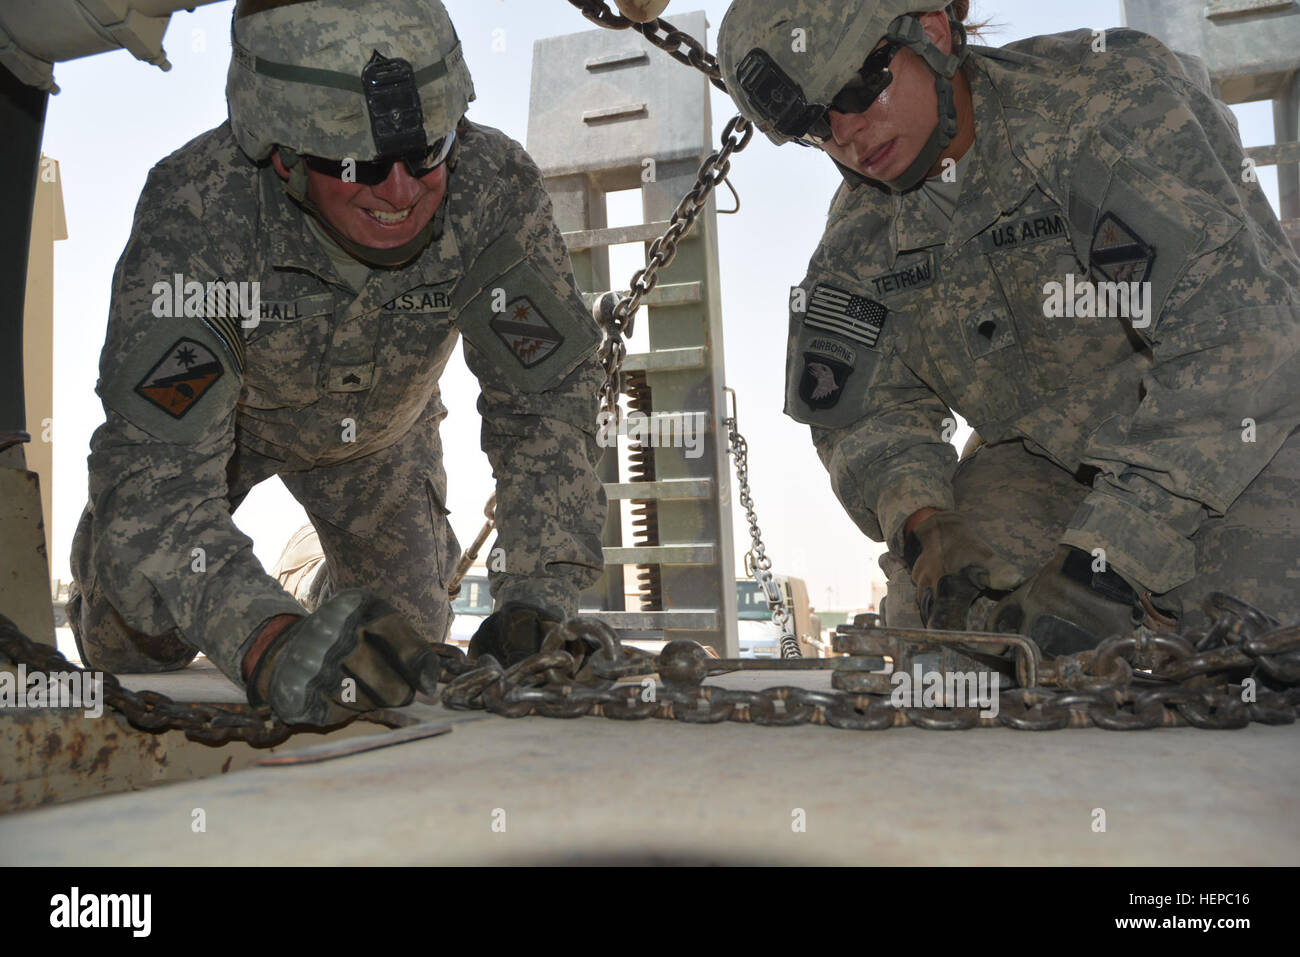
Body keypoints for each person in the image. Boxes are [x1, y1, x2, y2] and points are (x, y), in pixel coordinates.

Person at [66, 0, 608, 726]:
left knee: (399, 641)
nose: (401, 191)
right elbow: (158, 477)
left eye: (428, 152)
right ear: (283, 155)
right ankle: (146, 562)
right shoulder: (198, 213)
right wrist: (265, 640)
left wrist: (539, 600)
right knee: (129, 642)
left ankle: (306, 576)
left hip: (381, 440)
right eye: (360, 165)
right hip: (224, 436)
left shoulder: (492, 190)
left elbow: (543, 405)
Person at [718, 0, 1300, 656]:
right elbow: (866, 421)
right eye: (816, 123)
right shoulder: (856, 244)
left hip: (1237, 429)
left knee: (1250, 633)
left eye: (861, 85)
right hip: (1043, 457)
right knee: (946, 645)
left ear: (932, 32)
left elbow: (1242, 339)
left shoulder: (1101, 111)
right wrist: (927, 529)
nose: (847, 132)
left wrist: (1104, 564)